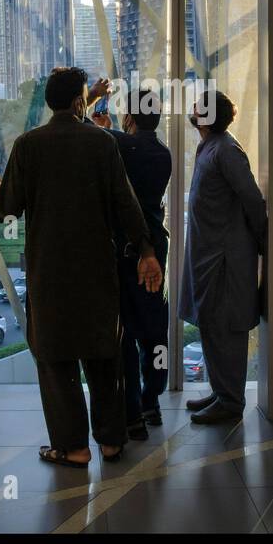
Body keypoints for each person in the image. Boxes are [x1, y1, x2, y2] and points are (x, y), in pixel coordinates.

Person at [0, 66, 163, 467]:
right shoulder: (102, 143)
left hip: (49, 272)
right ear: (78, 101)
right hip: (96, 269)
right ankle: (111, 442)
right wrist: (146, 249)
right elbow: (125, 202)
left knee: (55, 360)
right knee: (104, 357)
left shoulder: (29, 145)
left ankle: (74, 447)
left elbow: (8, 209)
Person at [177, 89, 267, 424]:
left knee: (226, 328)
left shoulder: (227, 151)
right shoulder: (211, 147)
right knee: (212, 326)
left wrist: (260, 241)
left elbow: (252, 199)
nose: (193, 108)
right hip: (210, 256)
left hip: (225, 260)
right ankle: (221, 392)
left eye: (199, 105)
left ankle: (231, 402)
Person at [104, 84, 171, 440]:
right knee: (154, 329)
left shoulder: (121, 145)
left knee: (125, 331)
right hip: (155, 251)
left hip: (125, 250)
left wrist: (100, 121)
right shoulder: (163, 152)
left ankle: (132, 409)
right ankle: (152, 398)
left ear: (128, 117)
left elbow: (93, 135)